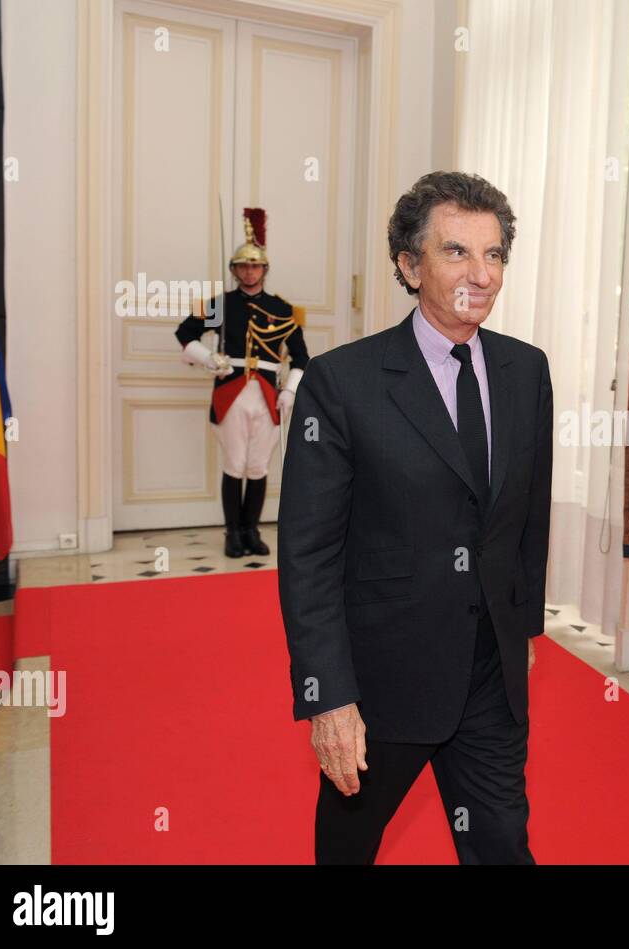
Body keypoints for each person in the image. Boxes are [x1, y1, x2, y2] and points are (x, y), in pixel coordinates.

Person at [278, 171, 553, 865]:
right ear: (409, 264)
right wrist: (328, 695)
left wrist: (522, 631)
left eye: (494, 255)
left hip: (489, 674)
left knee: (501, 846)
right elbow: (308, 554)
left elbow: (528, 518)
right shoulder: (343, 384)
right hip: (382, 684)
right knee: (346, 851)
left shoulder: (527, 372)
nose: (481, 273)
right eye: (457, 251)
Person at [174, 208, 309, 558]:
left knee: (258, 466)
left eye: (255, 266)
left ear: (264, 270)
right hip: (232, 391)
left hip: (267, 394)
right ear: (235, 270)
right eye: (243, 266)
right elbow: (184, 334)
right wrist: (209, 359)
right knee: (235, 464)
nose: (249, 272)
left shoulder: (283, 309)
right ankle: (232, 533)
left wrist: (291, 390)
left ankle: (252, 530)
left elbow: (301, 357)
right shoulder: (220, 305)